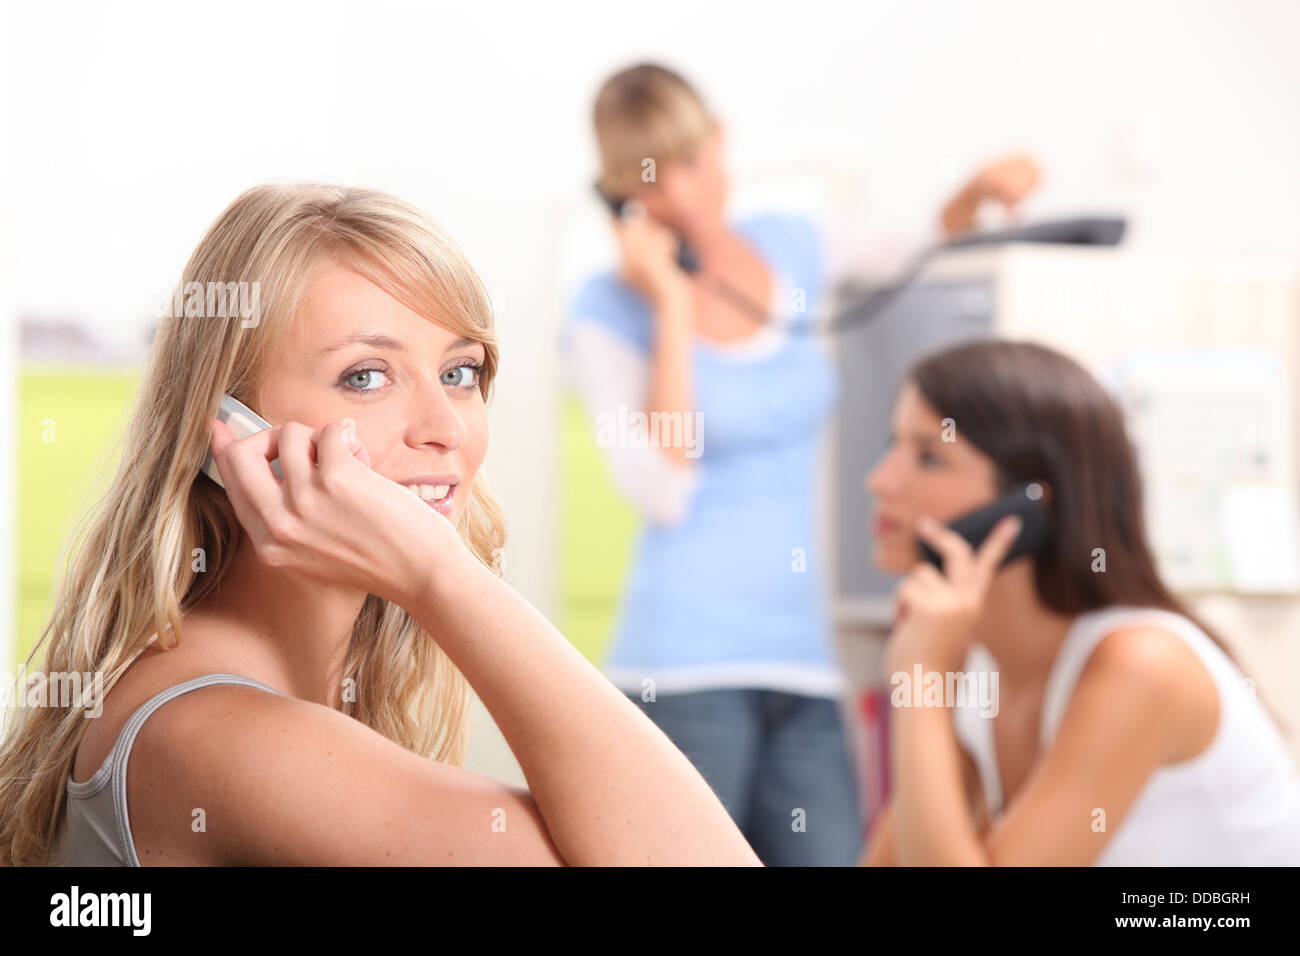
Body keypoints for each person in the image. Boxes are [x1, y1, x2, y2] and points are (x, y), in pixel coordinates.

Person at [0, 183, 761, 866]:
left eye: (460, 372)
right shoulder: (218, 737)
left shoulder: (281, 701)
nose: (445, 427)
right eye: (366, 376)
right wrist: (441, 576)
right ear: (230, 435)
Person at [563, 61, 1042, 865]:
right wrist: (672, 312)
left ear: (721, 143)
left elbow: (917, 245)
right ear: (620, 198)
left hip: (802, 660)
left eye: (691, 162)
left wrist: (977, 188)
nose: (679, 196)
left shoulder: (793, 244)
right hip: (681, 669)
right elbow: (664, 486)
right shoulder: (607, 308)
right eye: (649, 182)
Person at [857, 338, 1300, 865]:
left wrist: (921, 680)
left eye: (929, 457)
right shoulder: (977, 664)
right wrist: (931, 673)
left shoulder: (1142, 665)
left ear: (1027, 508)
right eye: (894, 446)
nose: (880, 480)